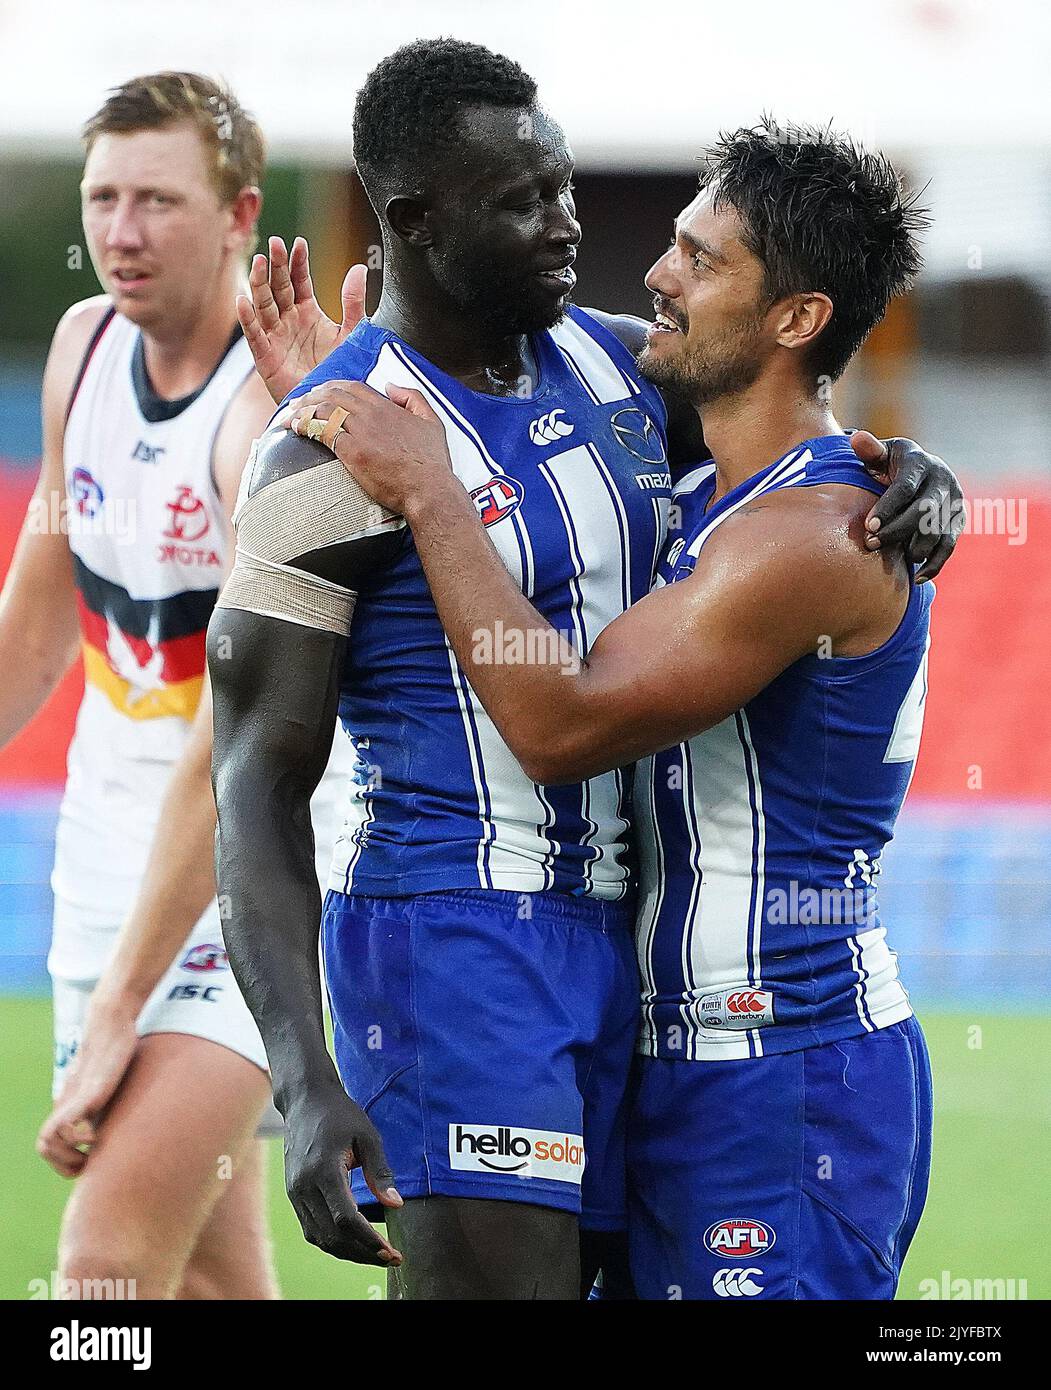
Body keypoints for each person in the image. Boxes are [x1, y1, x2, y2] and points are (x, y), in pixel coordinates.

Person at [210, 39, 960, 1300]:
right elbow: (252, 779)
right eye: (525, 202)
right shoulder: (322, 457)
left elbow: (787, 430)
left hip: (636, 977)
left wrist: (909, 463)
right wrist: (300, 1073)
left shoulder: (623, 370)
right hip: (455, 943)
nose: (577, 229)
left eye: (565, 188)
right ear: (411, 221)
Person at [0, 71, 354, 1300]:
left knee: (100, 1273)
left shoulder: (262, 423)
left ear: (238, 215)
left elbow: (234, 752)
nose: (121, 230)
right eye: (103, 197)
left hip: (245, 885)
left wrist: (117, 1014)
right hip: (103, 872)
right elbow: (42, 614)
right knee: (209, 1282)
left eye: (157, 199)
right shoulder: (82, 350)